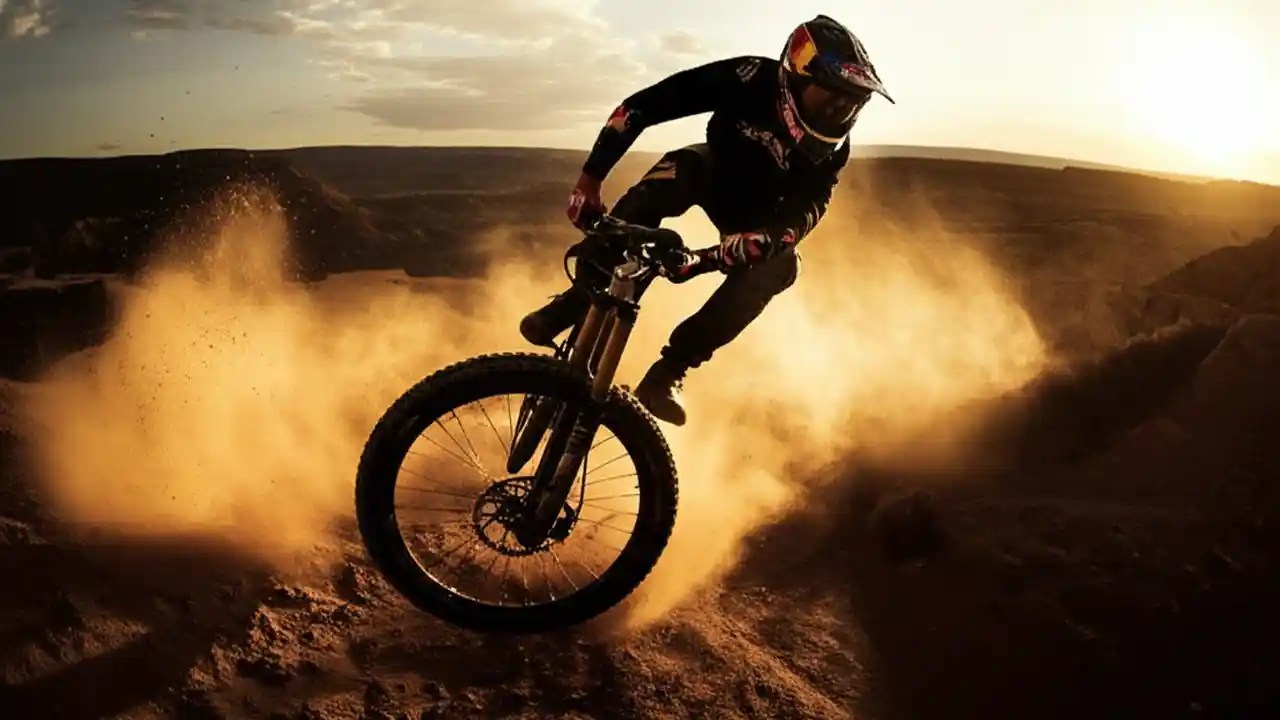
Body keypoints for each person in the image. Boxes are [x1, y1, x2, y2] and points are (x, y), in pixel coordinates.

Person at [519, 14, 894, 426]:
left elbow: (810, 207)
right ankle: (575, 302)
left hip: (758, 216)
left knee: (781, 266)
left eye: (850, 104)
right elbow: (643, 106)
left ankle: (668, 373)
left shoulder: (834, 150)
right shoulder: (747, 77)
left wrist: (764, 241)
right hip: (710, 172)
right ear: (795, 77)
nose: (837, 111)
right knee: (677, 175)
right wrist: (589, 181)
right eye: (830, 98)